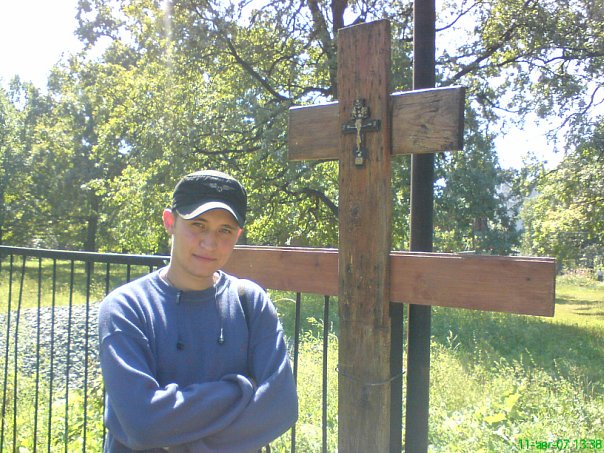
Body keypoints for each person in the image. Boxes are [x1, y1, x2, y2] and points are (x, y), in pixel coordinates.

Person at [98, 170, 298, 452]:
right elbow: (142, 422)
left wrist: (175, 443)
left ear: (238, 235)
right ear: (170, 221)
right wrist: (243, 389)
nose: (209, 243)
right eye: (198, 225)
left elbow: (281, 407)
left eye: (224, 230)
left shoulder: (250, 302)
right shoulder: (127, 307)